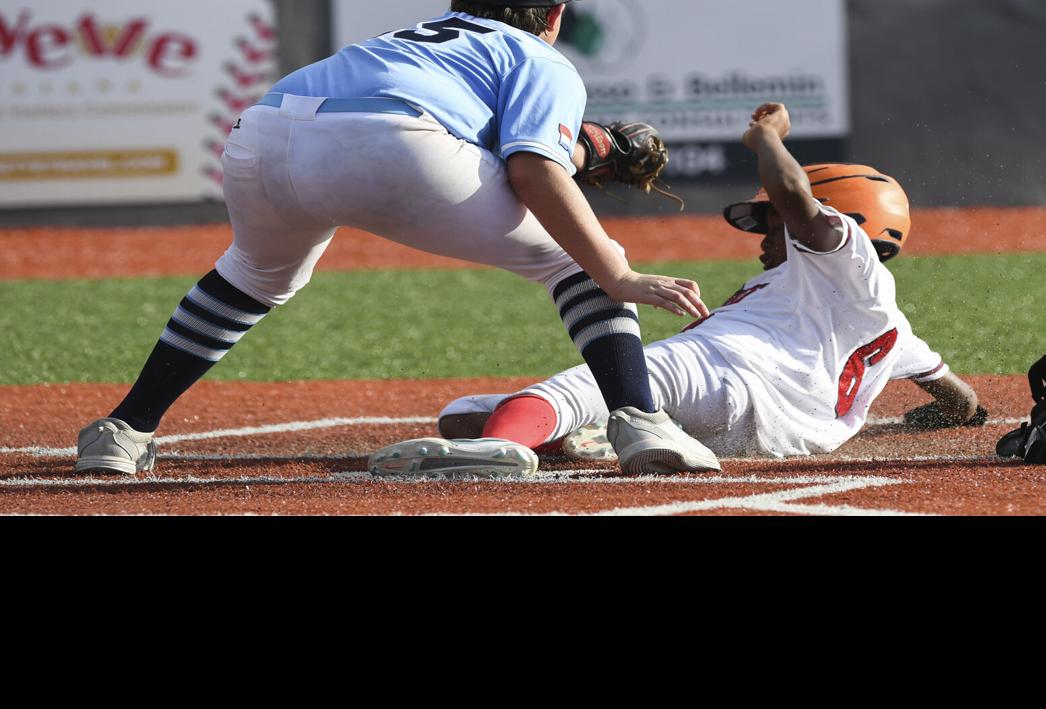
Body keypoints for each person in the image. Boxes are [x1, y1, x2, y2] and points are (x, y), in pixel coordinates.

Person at [73, 1, 719, 478]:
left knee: (251, 276)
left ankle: (122, 431)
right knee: (581, 260)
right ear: (554, 15)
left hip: (263, 134)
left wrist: (583, 149)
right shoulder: (541, 57)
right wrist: (616, 272)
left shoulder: (410, 37)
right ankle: (641, 423)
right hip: (390, 143)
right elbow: (530, 168)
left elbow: (497, 145)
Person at [368, 102, 984, 478]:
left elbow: (798, 199)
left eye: (769, 222)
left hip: (730, 372)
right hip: (775, 437)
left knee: (568, 391)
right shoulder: (888, 322)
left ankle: (502, 451)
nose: (764, 235)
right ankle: (576, 434)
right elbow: (962, 402)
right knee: (464, 414)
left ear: (849, 219)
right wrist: (927, 418)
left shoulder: (847, 260)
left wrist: (767, 138)